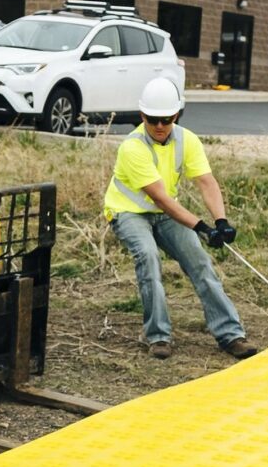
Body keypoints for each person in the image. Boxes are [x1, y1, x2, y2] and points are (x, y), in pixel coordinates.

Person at [102, 77, 258, 361]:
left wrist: (221, 222)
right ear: (142, 116)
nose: (159, 126)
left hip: (164, 213)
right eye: (152, 120)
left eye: (165, 119)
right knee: (149, 258)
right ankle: (158, 336)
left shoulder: (188, 140)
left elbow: (206, 182)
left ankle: (231, 334)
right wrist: (201, 227)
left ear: (176, 115)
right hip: (128, 212)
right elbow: (162, 198)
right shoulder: (132, 147)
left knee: (199, 261)